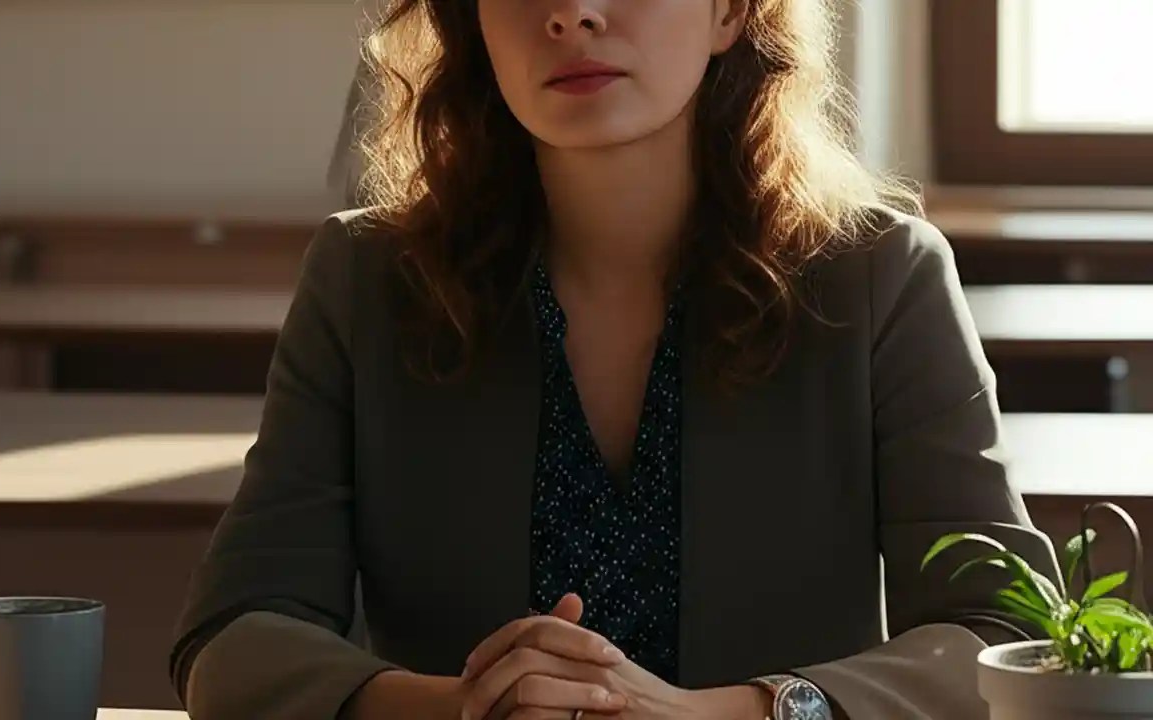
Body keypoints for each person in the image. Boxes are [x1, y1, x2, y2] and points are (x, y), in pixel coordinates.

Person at [170, 0, 1063, 718]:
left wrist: (725, 714)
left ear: (730, 12)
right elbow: (234, 637)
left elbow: (1001, 632)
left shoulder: (880, 277)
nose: (571, 14)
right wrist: (464, 706)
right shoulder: (365, 278)